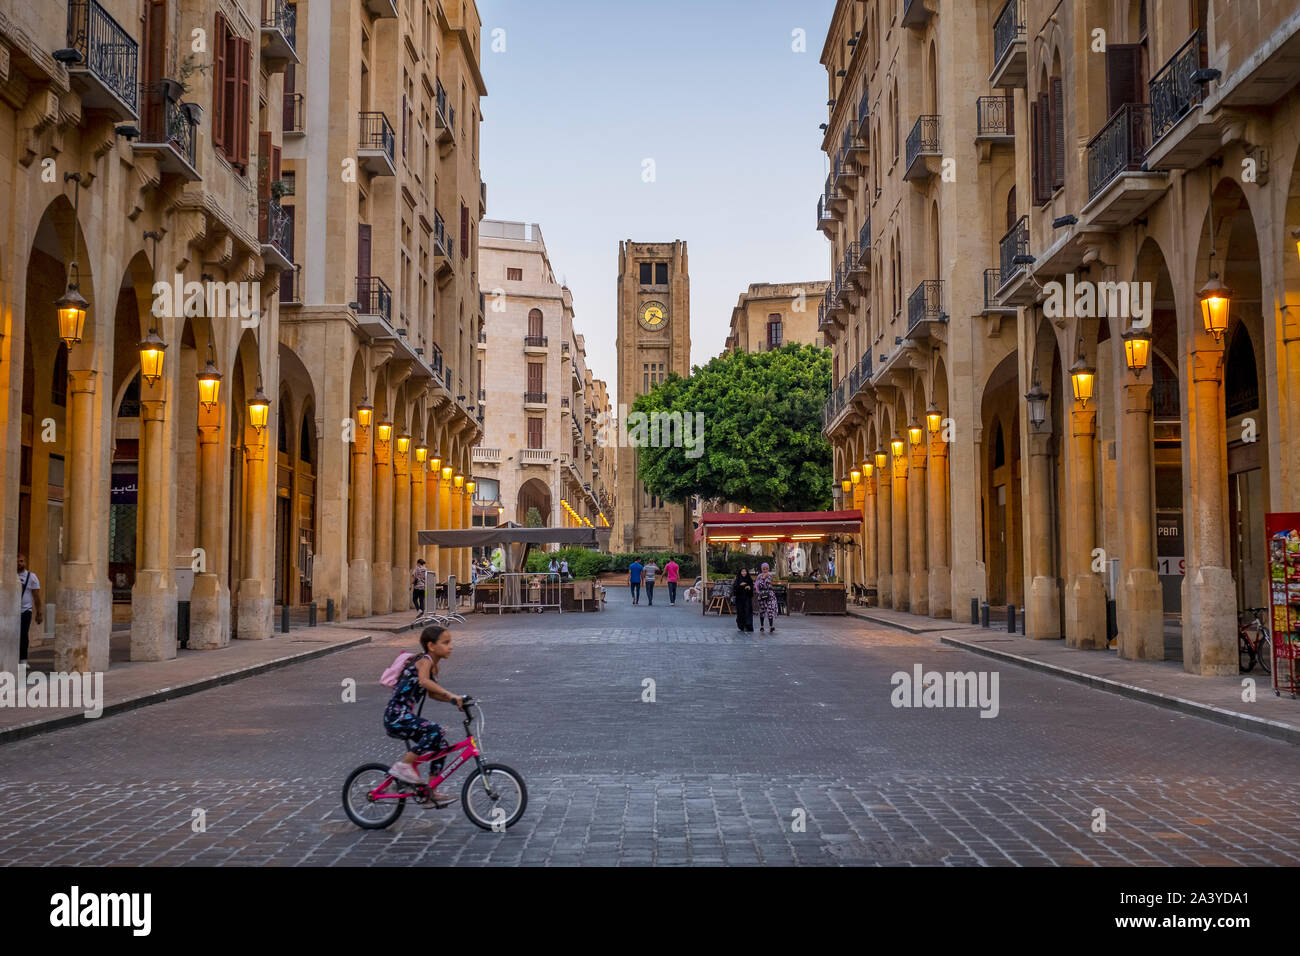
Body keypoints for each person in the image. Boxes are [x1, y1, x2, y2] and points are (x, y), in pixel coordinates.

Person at [383, 625, 465, 805]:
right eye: (445, 643)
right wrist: (451, 695)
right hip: (397, 716)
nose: (450, 646)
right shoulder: (424, 661)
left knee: (441, 745)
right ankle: (404, 766)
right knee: (435, 731)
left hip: (405, 716)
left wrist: (455, 700)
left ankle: (430, 791)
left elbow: (433, 693)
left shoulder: (434, 667)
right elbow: (424, 681)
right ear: (431, 646)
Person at [16, 553, 42, 663]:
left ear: (25, 563)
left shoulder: (31, 577)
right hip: (11, 612)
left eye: (21, 561)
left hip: (25, 610)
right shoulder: (8, 575)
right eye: (17, 561)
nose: (19, 564)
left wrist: (39, 612)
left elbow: (36, 596)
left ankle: (23, 660)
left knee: (23, 635)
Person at [755, 562, 779, 633]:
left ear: (768, 569)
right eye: (763, 568)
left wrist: (764, 578)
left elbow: (769, 584)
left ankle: (771, 626)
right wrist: (762, 578)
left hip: (770, 595)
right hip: (762, 594)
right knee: (762, 610)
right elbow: (758, 585)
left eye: (766, 568)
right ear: (761, 569)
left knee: (770, 610)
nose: (765, 570)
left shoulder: (770, 575)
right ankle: (762, 626)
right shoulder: (759, 576)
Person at [733, 567, 755, 632]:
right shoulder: (737, 580)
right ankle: (741, 626)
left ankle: (748, 626)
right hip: (739, 599)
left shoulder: (749, 579)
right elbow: (735, 589)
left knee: (747, 612)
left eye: (745, 571)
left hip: (747, 599)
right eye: (742, 571)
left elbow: (751, 588)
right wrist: (740, 585)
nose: (744, 573)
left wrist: (749, 587)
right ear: (740, 572)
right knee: (740, 612)